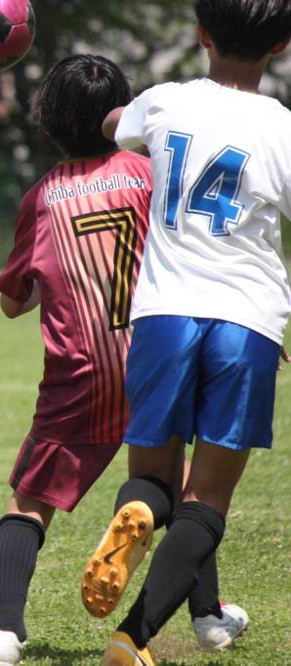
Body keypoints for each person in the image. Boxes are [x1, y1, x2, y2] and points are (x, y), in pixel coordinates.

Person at [0, 54, 239, 666]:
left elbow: (13, 302)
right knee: (181, 487)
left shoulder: (42, 196)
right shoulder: (148, 173)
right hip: (156, 351)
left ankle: (5, 635)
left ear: (46, 120)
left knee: (29, 502)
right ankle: (206, 618)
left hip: (80, 366)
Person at [85, 2, 291, 664]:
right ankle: (132, 639)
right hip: (245, 320)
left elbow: (117, 125)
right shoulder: (281, 128)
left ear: (202, 35)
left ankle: (139, 514)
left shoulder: (164, 101)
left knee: (153, 479)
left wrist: (125, 114)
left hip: (163, 314)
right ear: (282, 46)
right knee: (207, 500)